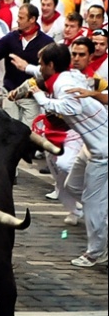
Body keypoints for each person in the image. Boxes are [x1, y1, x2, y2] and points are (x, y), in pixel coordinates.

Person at [30, 44, 108, 267]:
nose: (39, 67)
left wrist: (40, 98)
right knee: (73, 186)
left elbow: (72, 109)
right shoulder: (68, 75)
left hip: (103, 150)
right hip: (91, 147)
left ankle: (95, 253)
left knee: (92, 202)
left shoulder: (63, 83)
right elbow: (38, 75)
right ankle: (101, 213)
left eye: (41, 63)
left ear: (51, 65)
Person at [0, 4, 54, 127]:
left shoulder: (47, 43)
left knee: (29, 132)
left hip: (32, 98)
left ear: (32, 19)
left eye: (21, 18)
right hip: (10, 95)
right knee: (9, 130)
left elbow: (51, 71)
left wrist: (27, 67)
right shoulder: (10, 38)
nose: (17, 21)